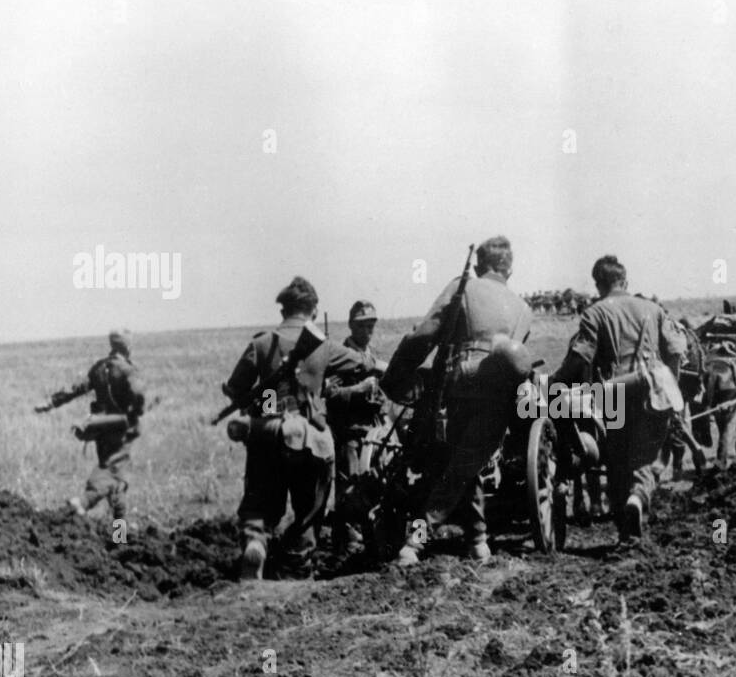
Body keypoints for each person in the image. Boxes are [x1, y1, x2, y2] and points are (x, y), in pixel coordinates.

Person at [383, 236, 533, 566]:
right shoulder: (524, 309)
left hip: (457, 391)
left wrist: (396, 376)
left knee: (452, 470)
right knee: (467, 465)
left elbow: (425, 334)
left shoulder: (463, 286)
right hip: (500, 401)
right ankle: (478, 542)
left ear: (480, 265)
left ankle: (415, 543)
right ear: (509, 269)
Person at [222, 277, 369, 579]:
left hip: (266, 431)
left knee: (259, 503)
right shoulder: (325, 346)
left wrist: (264, 406)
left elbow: (237, 389)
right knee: (309, 510)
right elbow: (364, 364)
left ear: (283, 310)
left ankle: (256, 542)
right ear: (314, 310)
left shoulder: (261, 343)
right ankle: (298, 567)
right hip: (310, 438)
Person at [550, 254, 686, 544]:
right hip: (652, 391)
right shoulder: (653, 309)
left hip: (612, 395)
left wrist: (554, 383)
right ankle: (638, 498)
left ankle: (626, 534)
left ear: (598, 284)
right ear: (625, 280)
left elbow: (581, 358)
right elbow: (675, 351)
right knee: (647, 460)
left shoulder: (594, 312)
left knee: (616, 463)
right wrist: (670, 382)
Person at [36, 329, 145, 520]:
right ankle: (83, 502)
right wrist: (138, 410)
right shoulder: (128, 370)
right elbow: (139, 398)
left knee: (117, 485)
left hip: (100, 431)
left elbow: (76, 389)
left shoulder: (99, 368)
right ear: (127, 346)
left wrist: (52, 403)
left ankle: (119, 537)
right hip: (121, 432)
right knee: (113, 476)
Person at [325, 300, 387, 559]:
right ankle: (348, 546)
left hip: (373, 433)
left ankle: (373, 542)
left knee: (375, 486)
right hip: (349, 432)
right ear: (351, 325)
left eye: (371, 325)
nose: (368, 330)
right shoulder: (340, 356)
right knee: (350, 490)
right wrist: (358, 390)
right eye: (362, 325)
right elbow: (329, 394)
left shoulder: (372, 354)